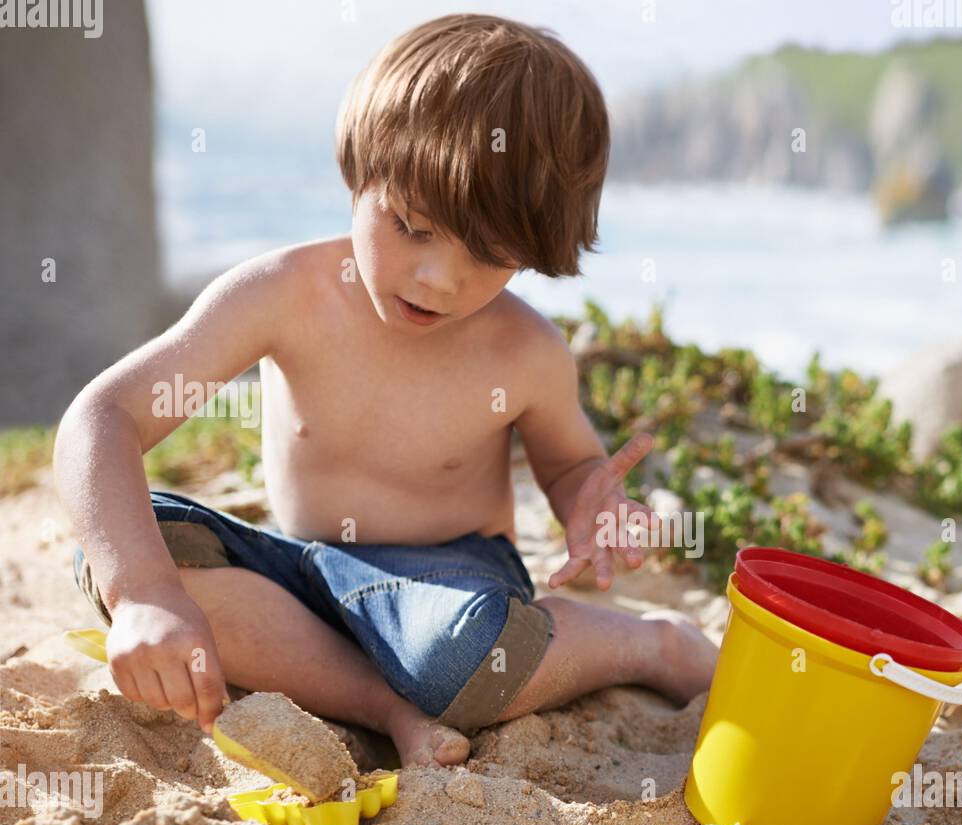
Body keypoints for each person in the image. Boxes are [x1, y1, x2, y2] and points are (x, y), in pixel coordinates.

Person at [54, 14, 718, 768]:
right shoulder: (280, 295)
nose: (438, 279)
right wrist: (143, 591)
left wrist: (590, 506)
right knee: (118, 554)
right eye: (410, 225)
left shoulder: (524, 350)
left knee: (461, 661)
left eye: (491, 255)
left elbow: (569, 469)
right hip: (304, 572)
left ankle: (648, 644)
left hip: (450, 588)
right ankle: (385, 704)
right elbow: (103, 416)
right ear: (358, 171)